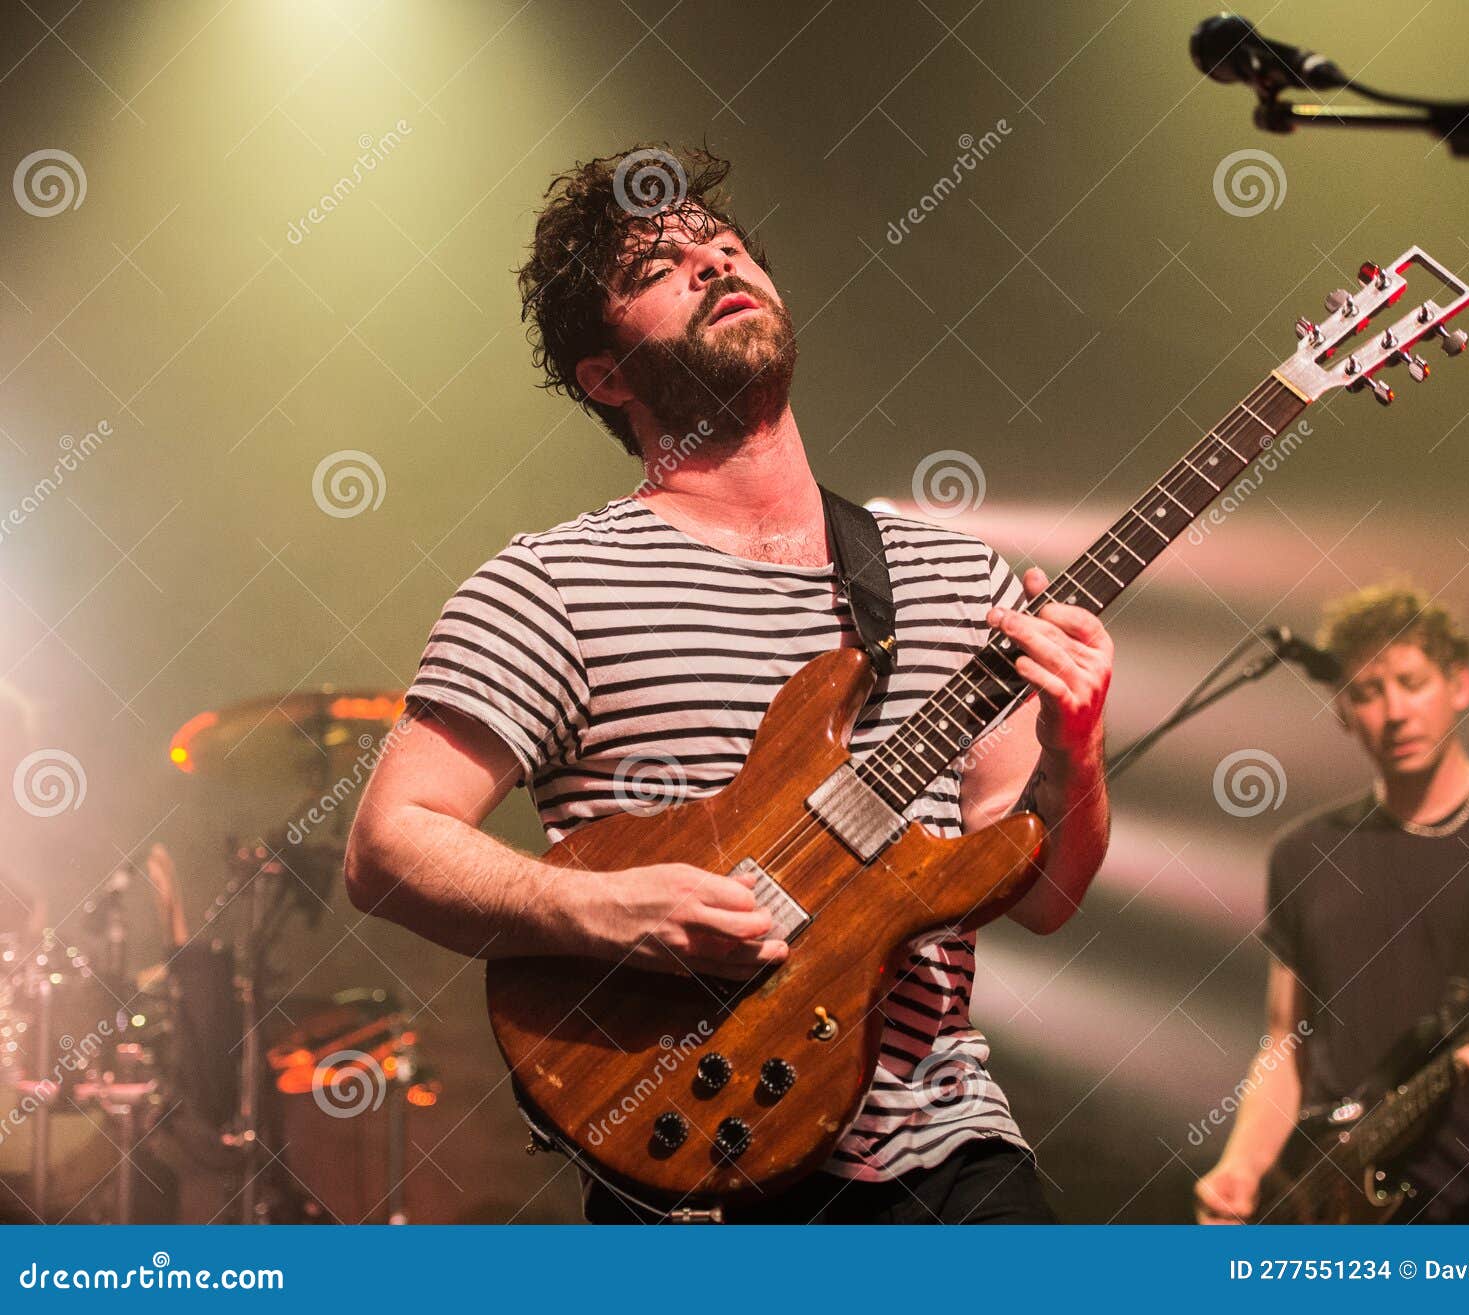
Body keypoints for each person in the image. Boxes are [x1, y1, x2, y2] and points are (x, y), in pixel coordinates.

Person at [344, 145, 1115, 1223]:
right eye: (656, 268)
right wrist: (603, 909)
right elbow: (387, 846)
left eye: (724, 244)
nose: (710, 261)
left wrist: (1077, 750)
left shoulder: (956, 578)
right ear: (605, 377)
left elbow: (1043, 895)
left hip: (950, 1160)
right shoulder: (550, 584)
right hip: (694, 1155)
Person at [1196, 582, 1469, 1224]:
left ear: (1460, 685)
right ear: (1341, 711)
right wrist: (1241, 1167)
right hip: (1345, 1215)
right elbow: (1286, 1042)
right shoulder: (1305, 853)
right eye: (1366, 692)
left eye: (1412, 682)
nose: (1395, 712)